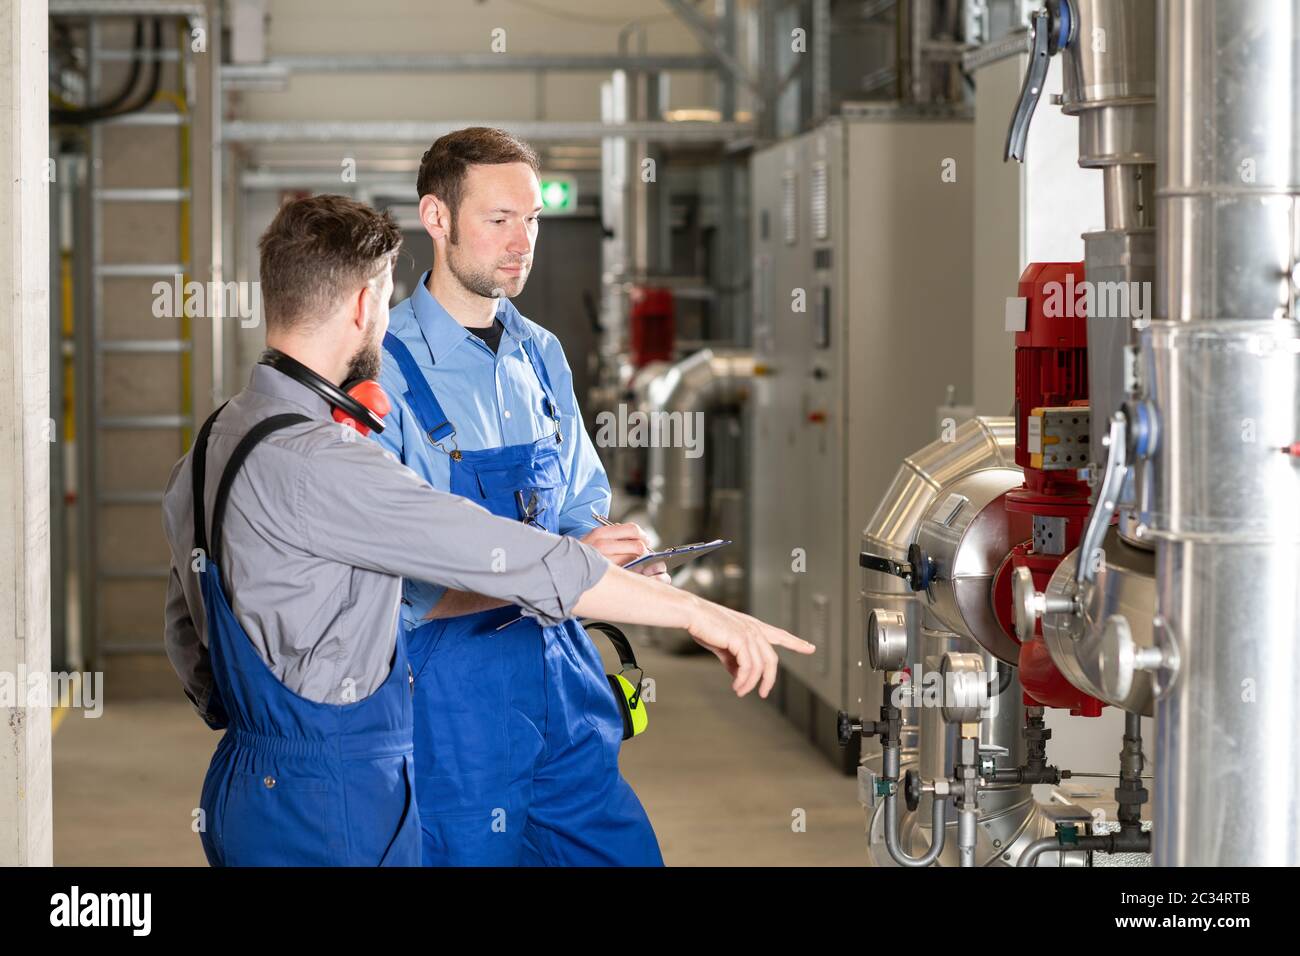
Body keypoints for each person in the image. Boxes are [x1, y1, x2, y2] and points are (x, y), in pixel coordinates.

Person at [161, 193, 812, 867]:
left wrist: (264, 730)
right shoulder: (326, 462)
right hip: (334, 798)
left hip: (251, 781)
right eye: (385, 303)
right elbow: (506, 557)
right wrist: (697, 614)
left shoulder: (214, 441)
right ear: (362, 307)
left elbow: (187, 630)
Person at [374, 128, 758, 866]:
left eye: (533, 219)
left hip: (565, 679)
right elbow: (397, 584)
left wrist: (624, 563)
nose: (522, 242)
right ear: (437, 219)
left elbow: (582, 506)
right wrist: (562, 564)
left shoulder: (542, 355)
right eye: (498, 221)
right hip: (452, 707)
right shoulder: (382, 369)